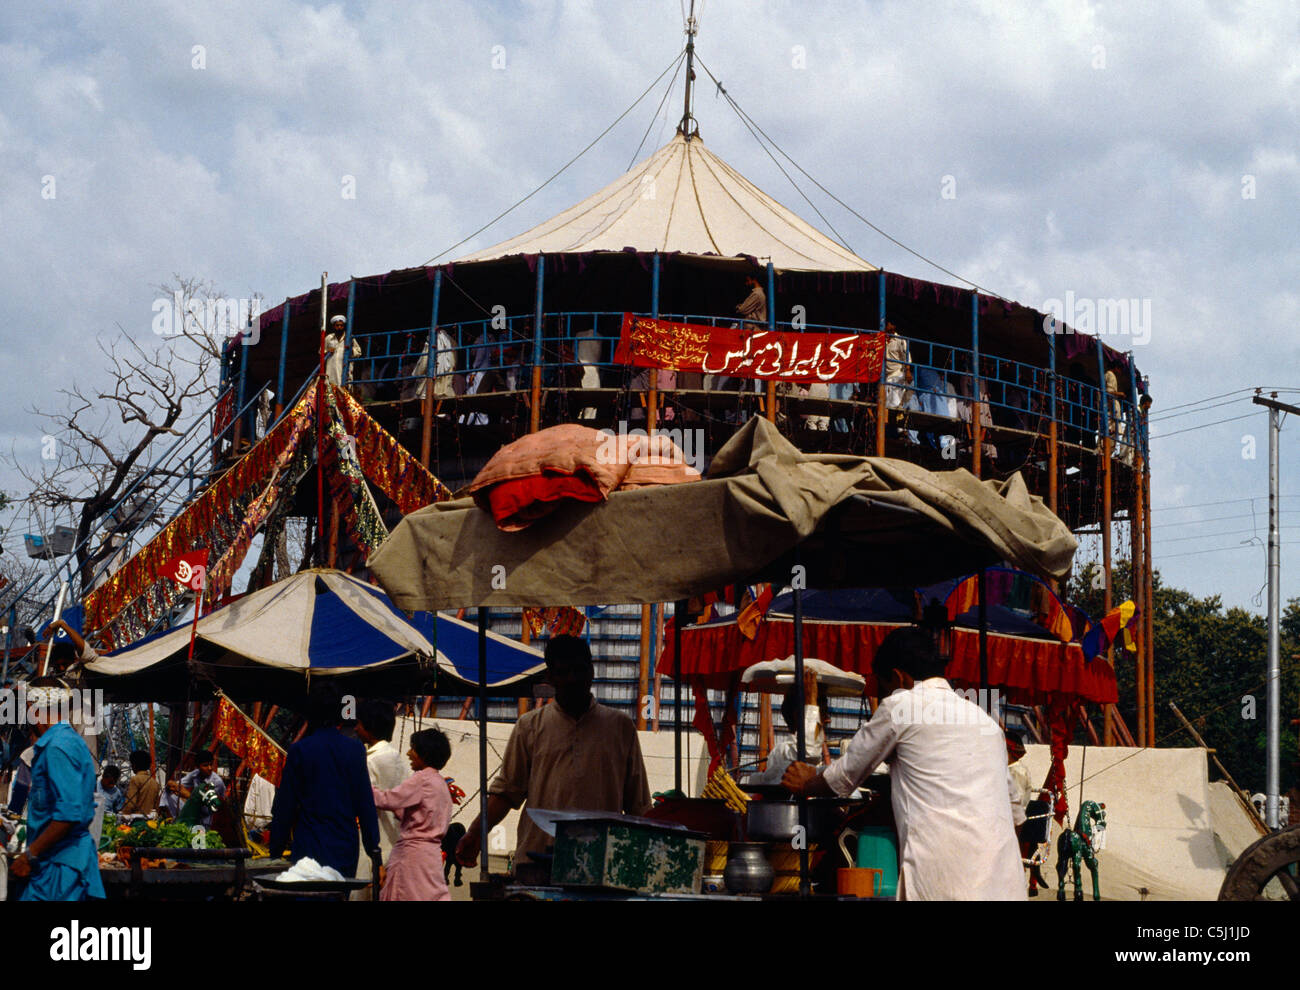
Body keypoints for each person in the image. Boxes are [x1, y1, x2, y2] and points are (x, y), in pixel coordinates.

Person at [782, 627, 1026, 900]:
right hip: (1005, 883)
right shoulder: (985, 721)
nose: (885, 697)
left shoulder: (901, 706)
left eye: (885, 689)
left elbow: (844, 777)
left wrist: (807, 782)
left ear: (899, 677)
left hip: (943, 883)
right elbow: (1015, 814)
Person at [457, 635, 651, 872]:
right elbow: (507, 792)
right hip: (537, 863)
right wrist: (475, 833)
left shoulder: (620, 727)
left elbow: (638, 806)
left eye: (579, 670)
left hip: (601, 867)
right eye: (563, 672)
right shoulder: (529, 726)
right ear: (550, 677)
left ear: (591, 671)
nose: (573, 679)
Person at [269, 683, 381, 878]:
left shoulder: (300, 750)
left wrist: (275, 851)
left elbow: (284, 806)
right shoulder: (355, 750)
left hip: (308, 848)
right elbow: (365, 805)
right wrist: (374, 852)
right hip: (344, 848)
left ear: (310, 714)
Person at [9, 682, 106, 901]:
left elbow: (68, 815)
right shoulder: (65, 742)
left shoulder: (57, 748)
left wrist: (29, 855)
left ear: (36, 710)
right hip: (55, 864)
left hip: (58, 869)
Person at [372, 728, 454, 901]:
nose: (409, 753)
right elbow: (418, 814)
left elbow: (389, 799)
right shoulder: (440, 783)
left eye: (413, 749)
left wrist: (365, 789)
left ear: (424, 754)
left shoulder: (421, 779)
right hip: (430, 856)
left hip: (412, 856)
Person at [353, 699, 411, 892]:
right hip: (395, 844)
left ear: (369, 727)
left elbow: (363, 803)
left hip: (371, 845)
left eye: (359, 724)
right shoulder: (398, 760)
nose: (355, 728)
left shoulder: (370, 761)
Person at [170, 749, 226, 828]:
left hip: (210, 819)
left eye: (211, 764)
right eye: (205, 765)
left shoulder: (216, 782)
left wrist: (189, 796)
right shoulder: (195, 774)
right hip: (197, 816)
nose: (209, 768)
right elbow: (177, 784)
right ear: (197, 767)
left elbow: (210, 807)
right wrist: (173, 785)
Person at [324, 314, 361, 387]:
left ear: (344, 326)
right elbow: (321, 352)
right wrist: (328, 352)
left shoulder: (349, 338)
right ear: (334, 326)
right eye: (337, 325)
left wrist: (349, 350)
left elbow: (358, 352)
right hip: (331, 372)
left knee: (345, 391)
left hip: (344, 371)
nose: (339, 327)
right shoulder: (329, 338)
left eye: (341, 325)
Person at [121, 749, 161, 816]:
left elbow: (130, 804)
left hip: (136, 819)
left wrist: (123, 815)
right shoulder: (155, 783)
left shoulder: (135, 779)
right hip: (149, 820)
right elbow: (157, 806)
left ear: (134, 765)